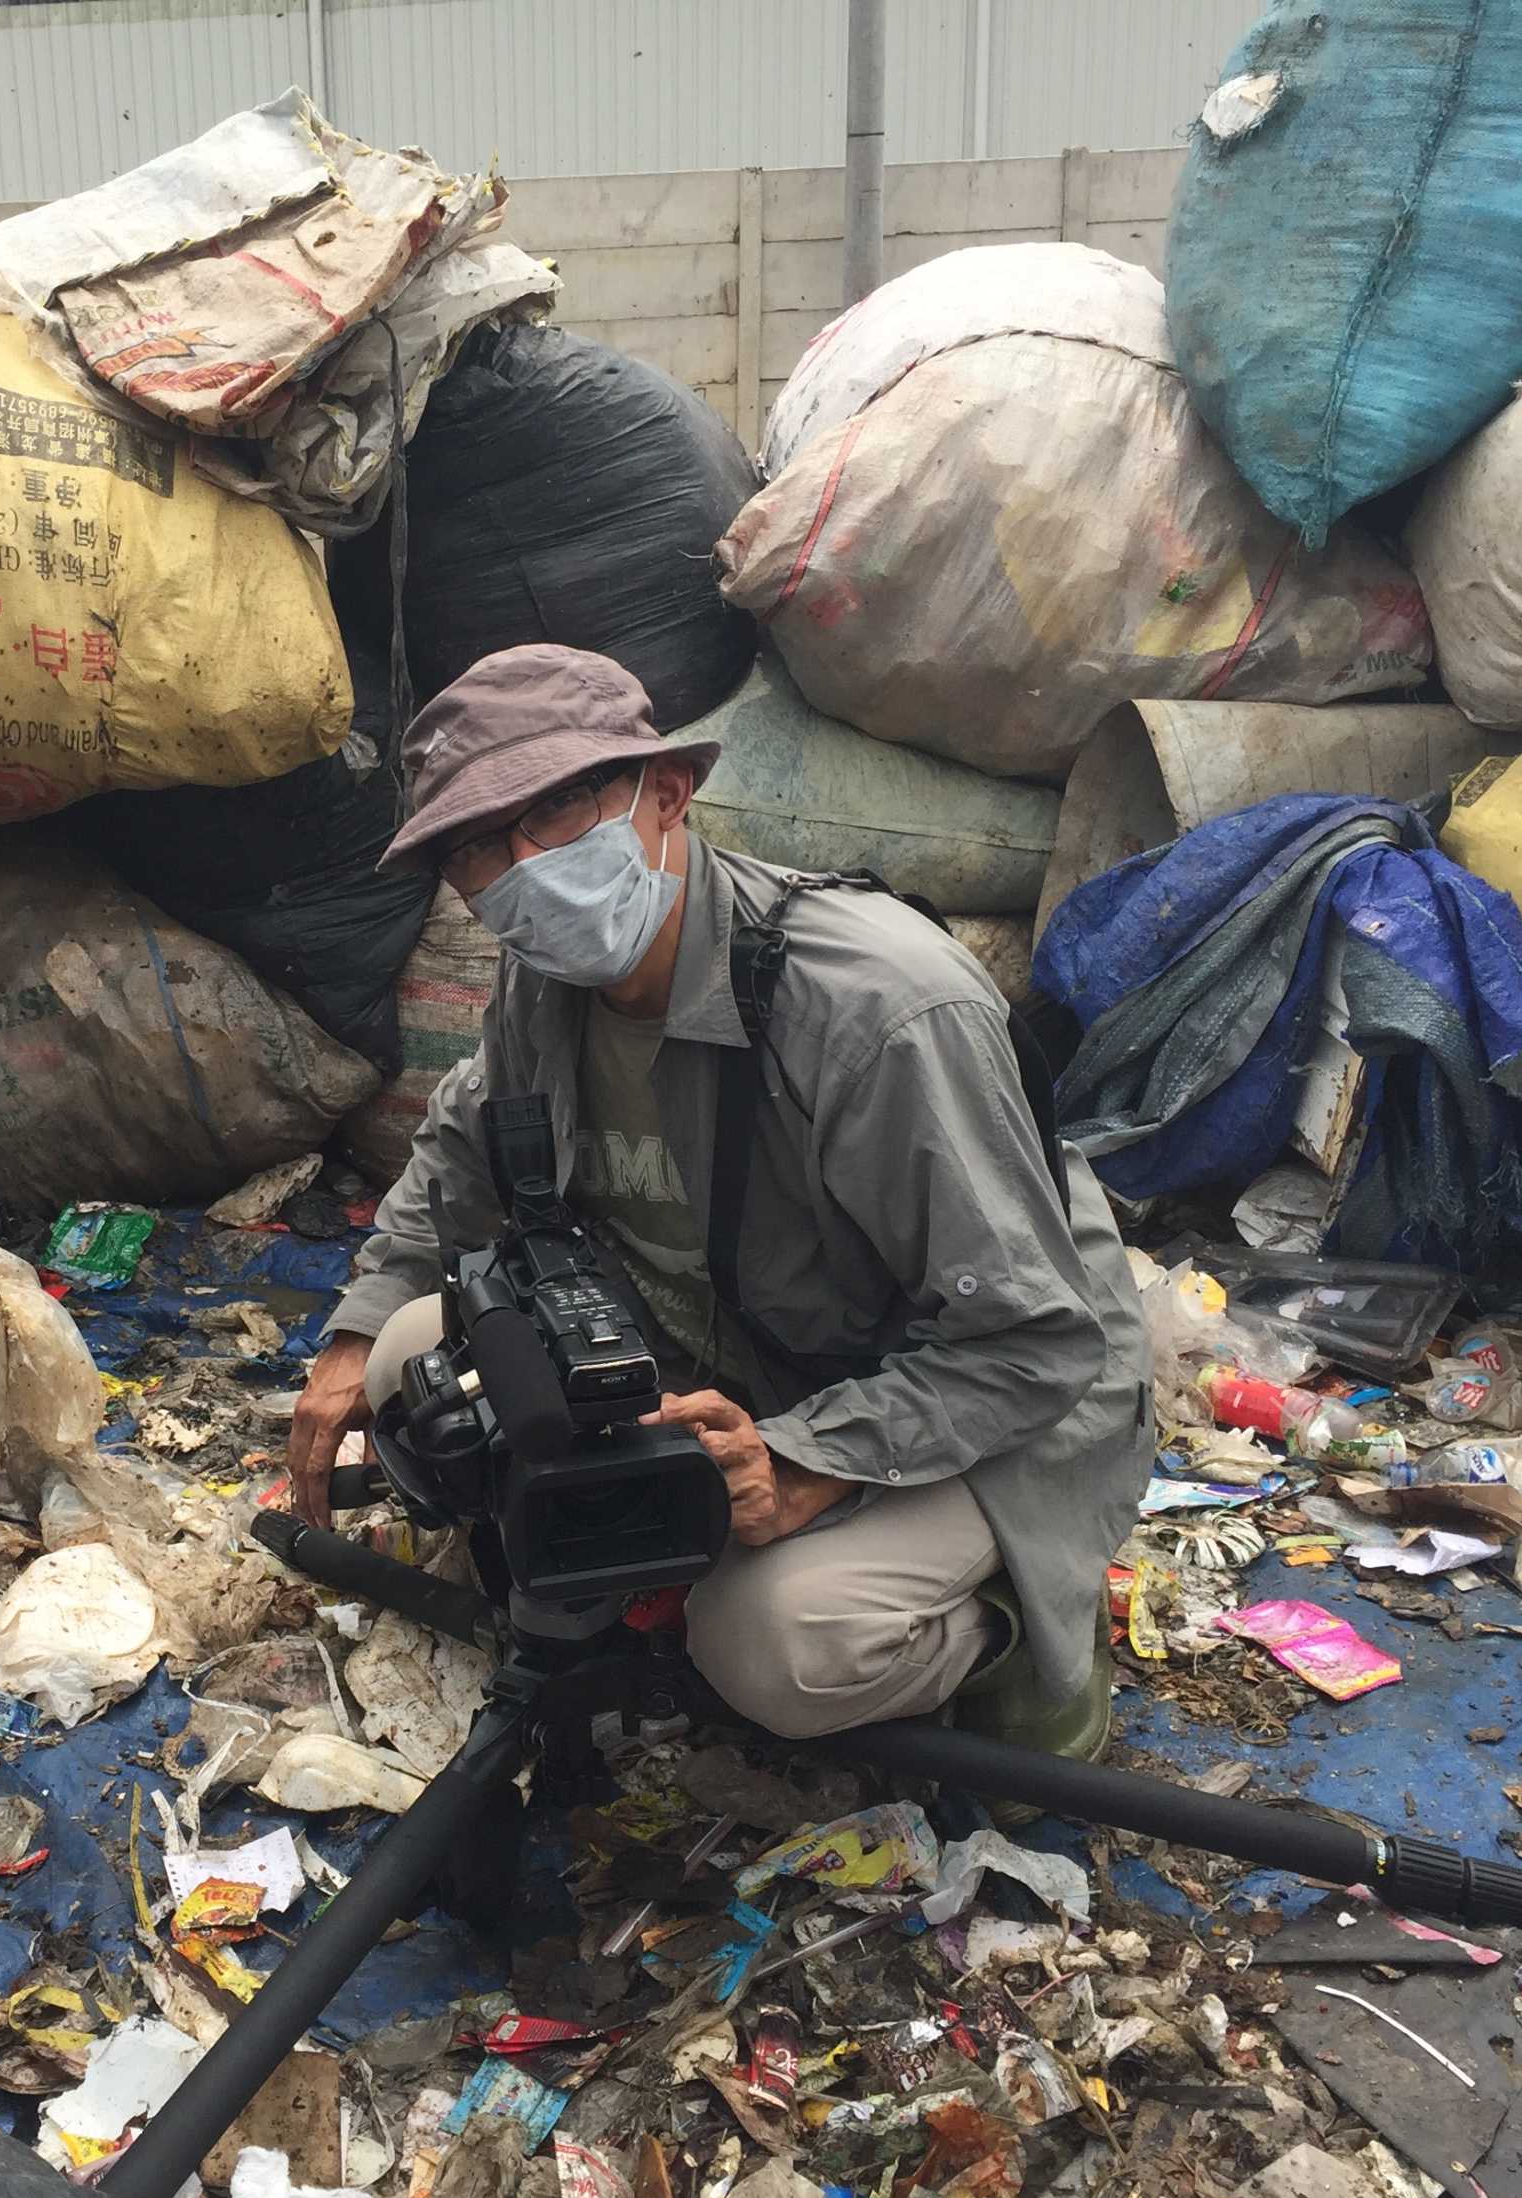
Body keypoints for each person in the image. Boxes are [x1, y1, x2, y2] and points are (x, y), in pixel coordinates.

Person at [285, 645, 1149, 1750]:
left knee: (770, 1641)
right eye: (474, 849)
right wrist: (351, 1340)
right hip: (739, 1345)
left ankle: (1014, 1633)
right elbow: (459, 1156)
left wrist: (799, 1463)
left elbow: (1034, 1342)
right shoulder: (546, 983)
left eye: (552, 813)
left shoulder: (878, 1009)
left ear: (667, 793)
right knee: (408, 1356)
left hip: (989, 1391)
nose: (518, 870)